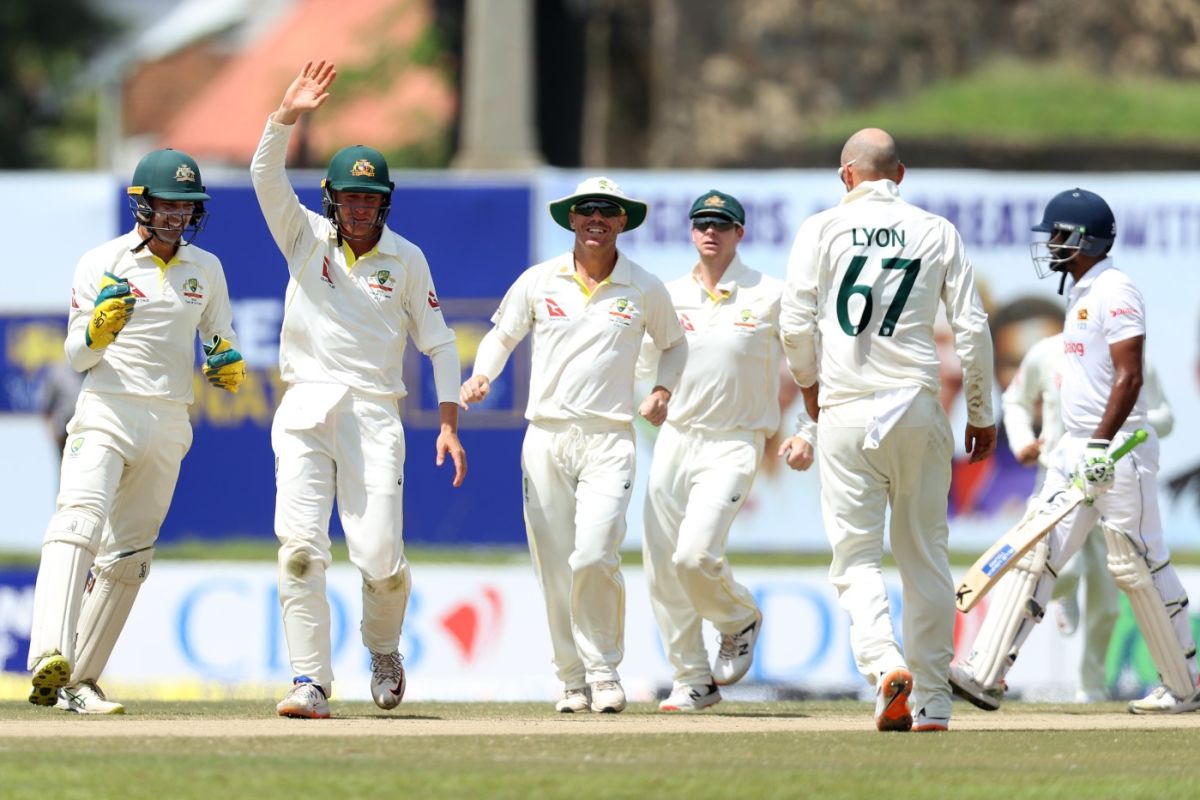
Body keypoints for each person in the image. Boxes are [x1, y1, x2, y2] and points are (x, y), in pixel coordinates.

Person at [251, 60, 466, 719]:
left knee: (378, 557)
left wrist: (451, 424)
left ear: (385, 202)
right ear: (331, 199)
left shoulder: (406, 258)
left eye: (371, 198)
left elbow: (440, 341)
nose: (360, 207)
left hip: (373, 413)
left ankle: (383, 648)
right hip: (304, 406)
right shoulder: (303, 239)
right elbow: (264, 176)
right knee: (298, 549)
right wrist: (284, 115)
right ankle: (309, 680)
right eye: (350, 197)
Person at [950, 188, 1200, 715]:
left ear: (1087, 239)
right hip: (1075, 454)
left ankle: (1183, 684)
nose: (1052, 246)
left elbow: (1130, 376)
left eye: (1059, 236)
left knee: (1137, 566)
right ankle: (985, 674)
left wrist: (1101, 446)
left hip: (1117, 455)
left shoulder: (1116, 289)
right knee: (1033, 556)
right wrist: (1079, 448)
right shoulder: (1082, 291)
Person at [780, 128, 996, 732]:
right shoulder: (935, 230)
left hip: (847, 408)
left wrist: (810, 391)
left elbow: (795, 323)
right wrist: (980, 411)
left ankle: (883, 665)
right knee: (925, 556)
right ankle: (931, 699)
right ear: (899, 174)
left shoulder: (820, 229)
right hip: (917, 406)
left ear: (846, 176)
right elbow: (972, 328)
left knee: (855, 557)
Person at [27, 148, 243, 714]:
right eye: (166, 206)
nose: (176, 218)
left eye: (186, 207)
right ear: (142, 205)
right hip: (106, 409)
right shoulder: (102, 261)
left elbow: (221, 341)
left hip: (170, 419)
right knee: (76, 520)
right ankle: (50, 652)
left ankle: (80, 682)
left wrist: (226, 367)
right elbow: (76, 357)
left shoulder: (207, 270)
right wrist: (97, 331)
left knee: (130, 556)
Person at [460, 176, 686, 714]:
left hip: (609, 438)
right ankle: (570, 679)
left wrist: (662, 390)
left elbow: (674, 346)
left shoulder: (644, 286)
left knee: (593, 555)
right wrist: (482, 375)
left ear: (622, 221)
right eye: (586, 210)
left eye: (608, 211)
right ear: (571, 219)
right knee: (556, 565)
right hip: (546, 436)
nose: (596, 219)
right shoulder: (541, 281)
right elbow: (502, 335)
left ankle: (605, 670)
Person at [638, 190, 814, 712]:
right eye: (702, 223)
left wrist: (808, 429)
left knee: (695, 555)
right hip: (676, 439)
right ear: (692, 232)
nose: (711, 231)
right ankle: (692, 678)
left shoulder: (770, 294)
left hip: (736, 441)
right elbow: (643, 362)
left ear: (741, 233)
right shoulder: (667, 296)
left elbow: (811, 370)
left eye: (723, 223)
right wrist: (651, 394)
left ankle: (738, 619)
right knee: (663, 567)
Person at [1004, 333, 1174, 703]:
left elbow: (1166, 416)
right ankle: (1060, 597)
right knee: (1064, 569)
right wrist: (1021, 441)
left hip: (1115, 481)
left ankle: (1091, 689)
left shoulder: (1132, 358)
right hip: (1060, 479)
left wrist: (1130, 424)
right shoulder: (1048, 352)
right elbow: (1014, 400)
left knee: (1107, 604)